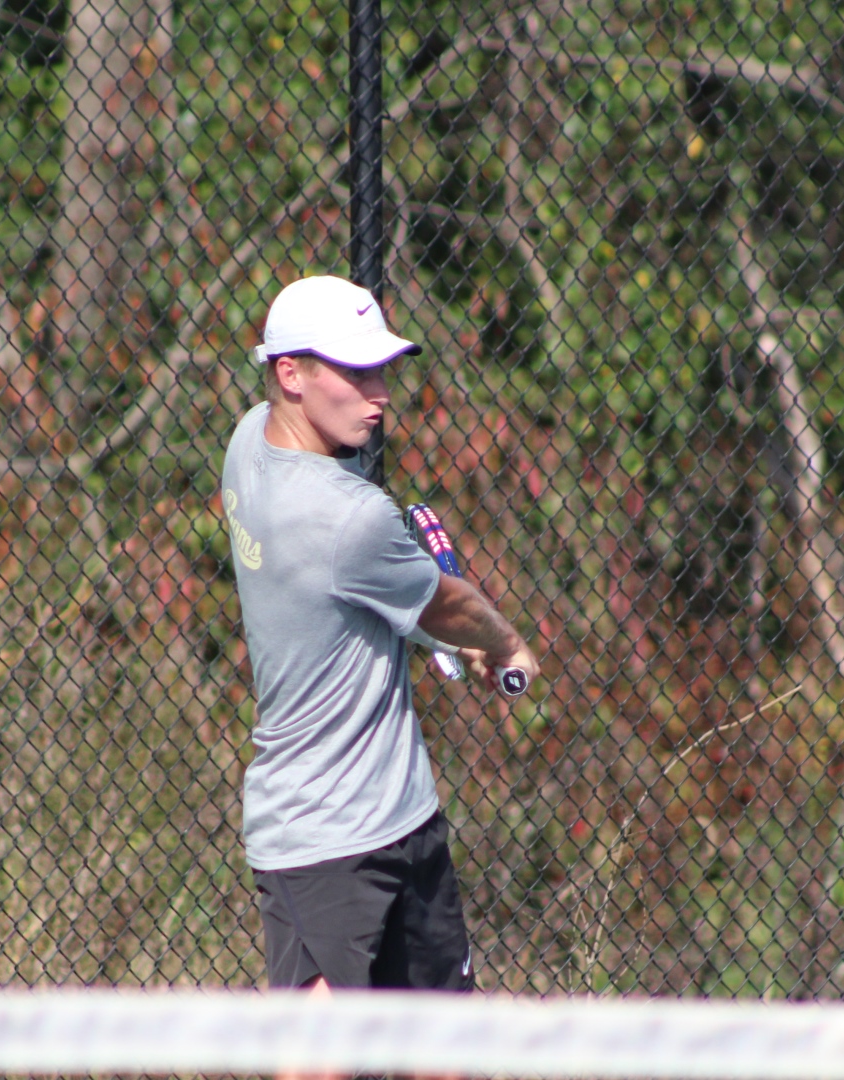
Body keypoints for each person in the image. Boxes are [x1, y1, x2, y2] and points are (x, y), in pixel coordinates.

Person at [219, 274, 540, 995]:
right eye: (357, 372)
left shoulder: (246, 443)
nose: (381, 392)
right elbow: (448, 602)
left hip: (403, 813)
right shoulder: (348, 517)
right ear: (290, 373)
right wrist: (504, 643)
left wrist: (435, 634)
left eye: (382, 370)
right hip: (325, 840)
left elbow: (356, 599)